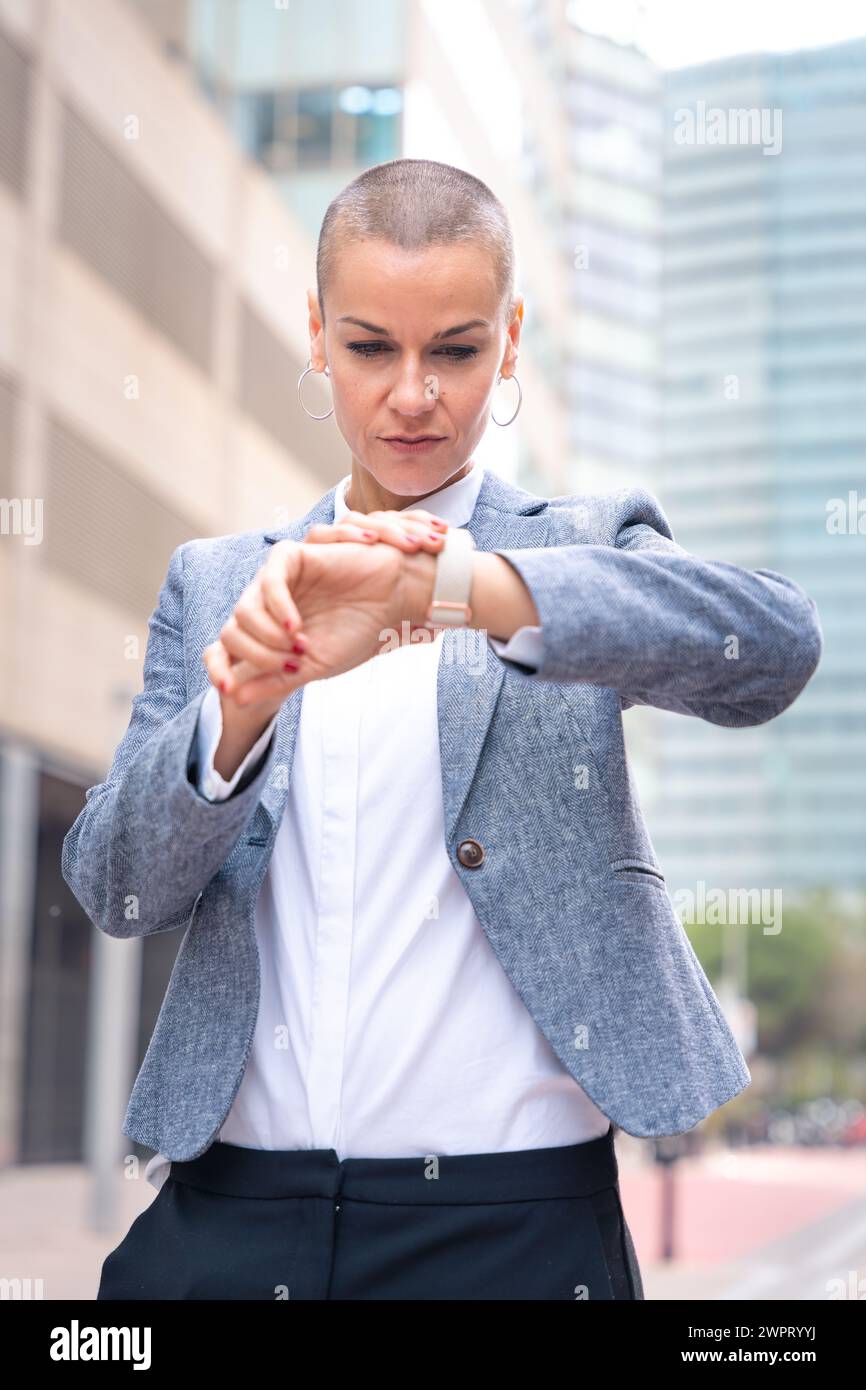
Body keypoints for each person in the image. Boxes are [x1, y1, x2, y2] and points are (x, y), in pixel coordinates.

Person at [62, 158, 822, 1301]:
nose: (412, 394)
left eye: (454, 350)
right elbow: (117, 889)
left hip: (509, 1238)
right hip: (233, 1219)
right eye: (371, 347)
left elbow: (769, 647)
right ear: (317, 336)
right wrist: (239, 712)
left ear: (509, 341)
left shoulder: (572, 545)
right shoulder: (219, 581)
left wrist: (456, 591)